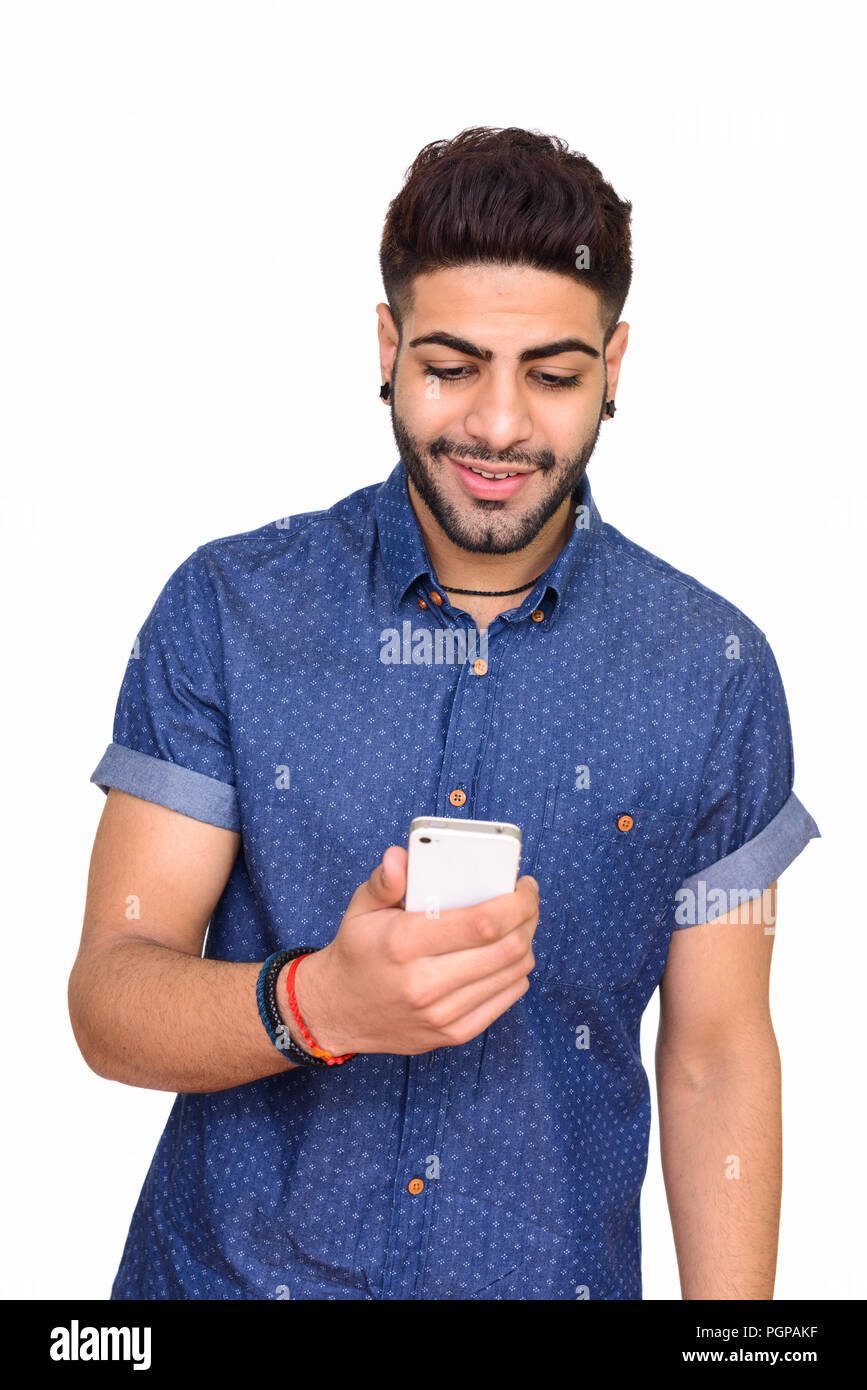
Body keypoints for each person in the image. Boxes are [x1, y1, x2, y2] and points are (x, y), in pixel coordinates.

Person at [70, 126, 819, 1300]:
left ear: (616, 367)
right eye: (454, 366)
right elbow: (113, 996)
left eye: (555, 375)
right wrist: (319, 1001)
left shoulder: (713, 671)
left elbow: (719, 1053)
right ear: (388, 346)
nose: (501, 426)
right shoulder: (227, 611)